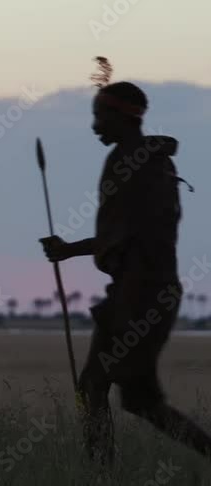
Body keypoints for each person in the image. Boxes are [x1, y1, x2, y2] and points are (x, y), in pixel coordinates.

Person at [39, 81, 210, 465]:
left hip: (142, 294)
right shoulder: (144, 160)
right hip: (138, 292)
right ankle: (101, 478)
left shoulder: (134, 162)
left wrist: (71, 251)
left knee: (121, 394)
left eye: (100, 117)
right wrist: (71, 250)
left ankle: (102, 477)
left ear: (123, 117)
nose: (95, 126)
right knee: (112, 392)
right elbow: (119, 234)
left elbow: (129, 235)